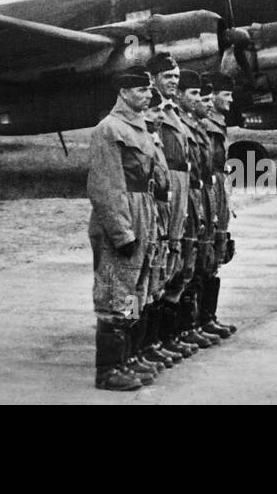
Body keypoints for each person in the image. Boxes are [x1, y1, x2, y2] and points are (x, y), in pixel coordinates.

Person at [86, 69, 170, 391]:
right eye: (140, 90)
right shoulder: (108, 130)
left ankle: (129, 357)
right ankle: (108, 371)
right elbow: (105, 187)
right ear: (122, 92)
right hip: (123, 217)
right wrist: (122, 233)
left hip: (144, 214)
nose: (148, 95)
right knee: (115, 296)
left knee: (136, 292)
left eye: (149, 89)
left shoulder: (141, 129)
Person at [145, 53, 200, 361]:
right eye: (168, 77)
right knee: (157, 263)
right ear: (152, 79)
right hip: (163, 191)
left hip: (181, 188)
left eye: (176, 77)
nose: (174, 82)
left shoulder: (173, 112)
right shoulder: (150, 113)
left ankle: (167, 336)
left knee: (176, 258)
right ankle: (150, 344)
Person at [175, 69, 222, 349]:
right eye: (195, 94)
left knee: (195, 266)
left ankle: (187, 327)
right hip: (169, 206)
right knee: (143, 287)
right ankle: (124, 353)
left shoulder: (197, 126)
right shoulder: (112, 130)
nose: (206, 101)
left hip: (194, 202)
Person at [198, 72, 238, 336]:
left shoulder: (218, 124)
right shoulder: (204, 125)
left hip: (219, 195)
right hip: (207, 196)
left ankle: (206, 318)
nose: (231, 100)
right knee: (201, 257)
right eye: (227, 94)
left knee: (216, 256)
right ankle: (193, 323)